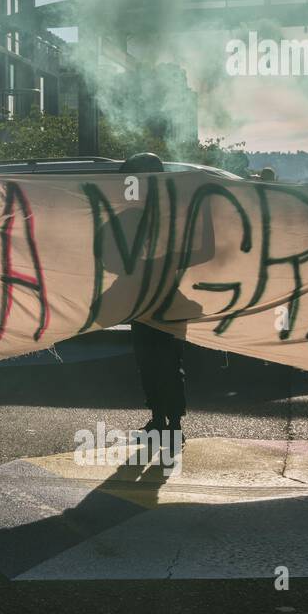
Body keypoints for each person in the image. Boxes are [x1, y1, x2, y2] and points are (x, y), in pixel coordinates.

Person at [120, 152, 188, 439]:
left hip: (163, 299)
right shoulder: (137, 211)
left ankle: (170, 422)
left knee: (165, 363)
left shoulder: (169, 212)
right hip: (145, 300)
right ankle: (161, 418)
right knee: (150, 363)